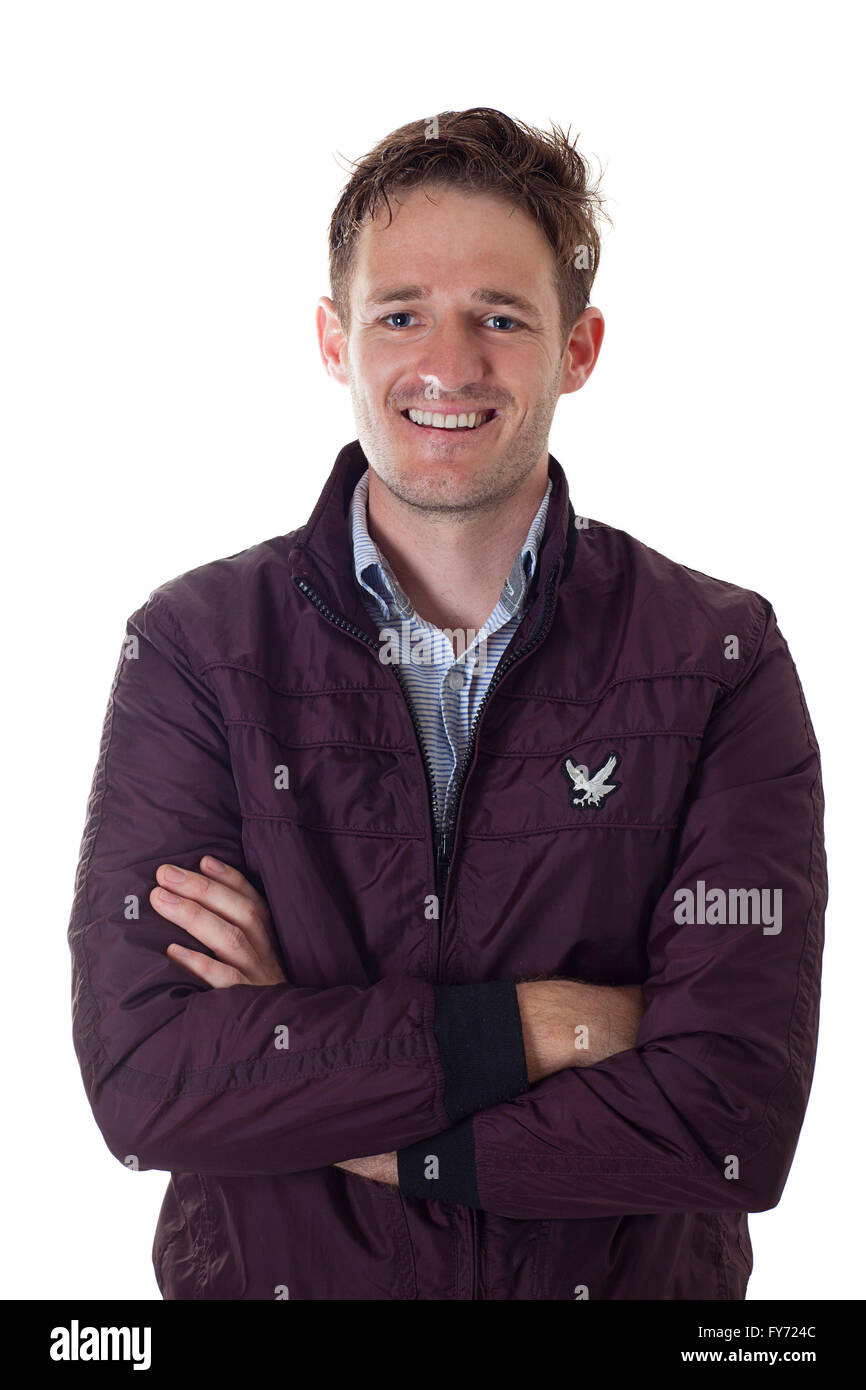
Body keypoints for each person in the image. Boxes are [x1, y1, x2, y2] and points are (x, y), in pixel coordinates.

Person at [68, 107, 827, 1301]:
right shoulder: (197, 651)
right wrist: (545, 1027)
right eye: (401, 313)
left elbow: (726, 1113)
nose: (448, 363)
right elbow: (151, 1081)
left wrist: (312, 1073)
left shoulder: (715, 657)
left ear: (576, 349)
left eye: (500, 318)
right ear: (335, 338)